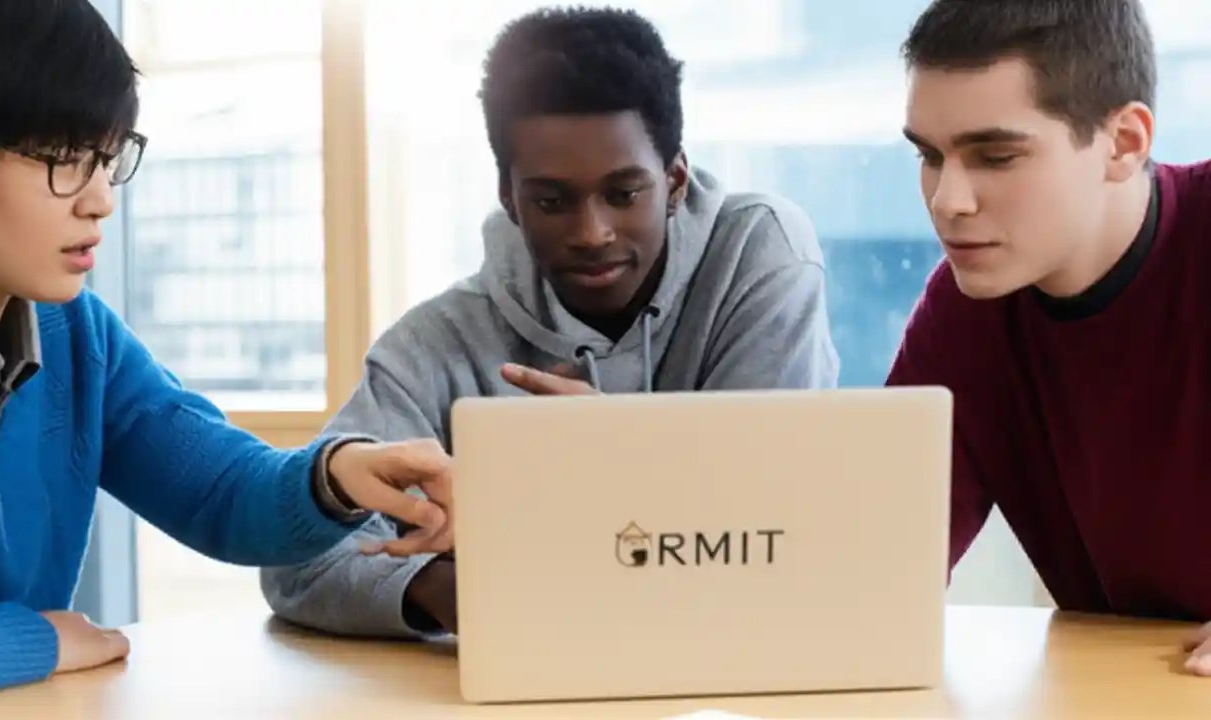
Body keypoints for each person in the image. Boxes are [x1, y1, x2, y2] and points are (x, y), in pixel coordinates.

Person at [0, 0, 452, 705]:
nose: (99, 201)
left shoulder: (76, 332)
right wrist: (37, 640)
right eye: (59, 160)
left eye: (107, 158)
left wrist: (337, 475)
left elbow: (220, 491)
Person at [261, 6, 839, 639]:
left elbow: (773, 525)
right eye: (551, 201)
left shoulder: (760, 255)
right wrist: (462, 593)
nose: (592, 233)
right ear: (509, 195)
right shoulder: (436, 344)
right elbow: (295, 557)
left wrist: (627, 456)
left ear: (674, 180)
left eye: (624, 193)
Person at [888, 0, 1211, 676]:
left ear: (1123, 142)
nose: (948, 200)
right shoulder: (966, 310)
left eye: (996, 156)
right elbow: (874, 570)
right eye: (929, 156)